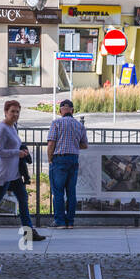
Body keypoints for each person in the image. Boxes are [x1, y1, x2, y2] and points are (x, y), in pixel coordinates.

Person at [0, 100, 46, 243]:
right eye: (12, 111)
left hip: (13, 172)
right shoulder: (3, 128)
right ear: (6, 112)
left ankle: (28, 231)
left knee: (22, 199)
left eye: (17, 112)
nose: (15, 114)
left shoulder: (12, 127)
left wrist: (20, 151)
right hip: (4, 172)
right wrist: (17, 153)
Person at [47, 98, 88, 228]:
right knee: (71, 192)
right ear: (73, 111)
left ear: (60, 111)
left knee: (58, 191)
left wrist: (50, 158)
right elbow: (84, 145)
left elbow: (51, 143)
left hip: (59, 159)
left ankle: (59, 221)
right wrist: (73, 145)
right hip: (73, 159)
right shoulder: (79, 125)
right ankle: (70, 222)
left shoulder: (56, 123)